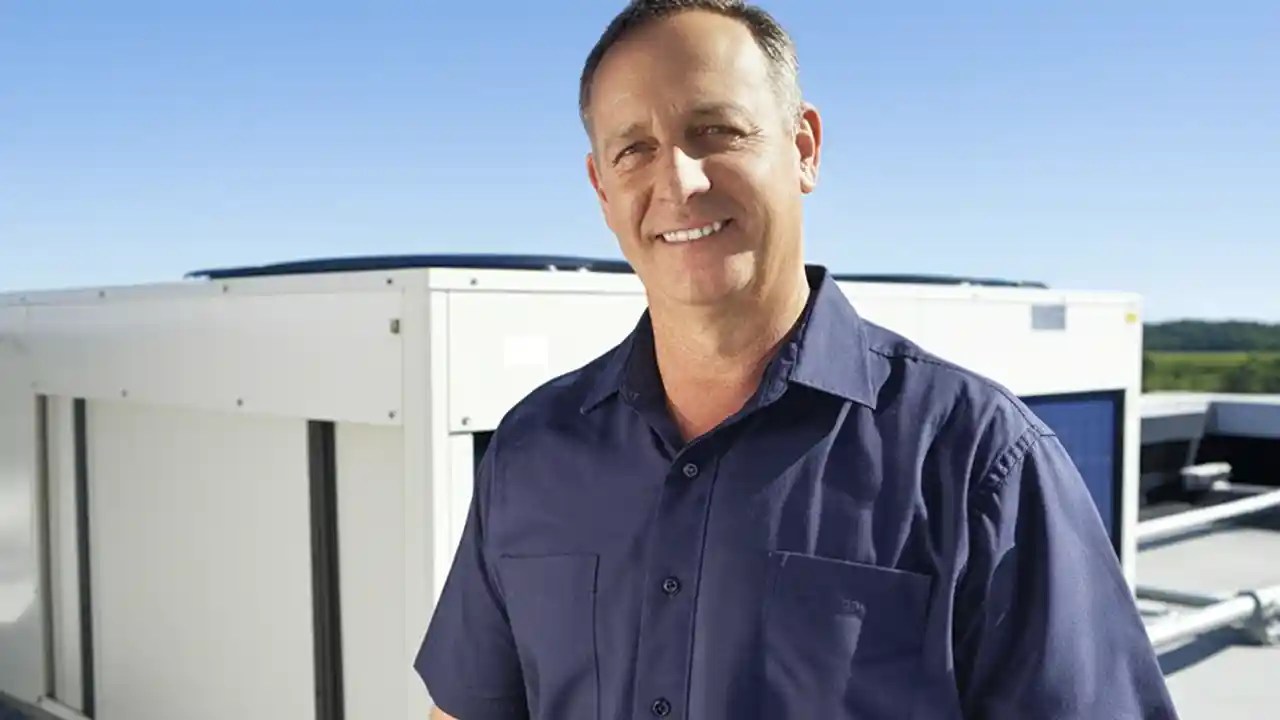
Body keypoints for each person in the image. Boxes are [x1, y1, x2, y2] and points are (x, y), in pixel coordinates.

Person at [415, 1, 1180, 718]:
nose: (678, 180)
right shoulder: (533, 448)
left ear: (804, 148)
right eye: (635, 149)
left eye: (716, 131)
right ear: (601, 187)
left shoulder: (979, 461)